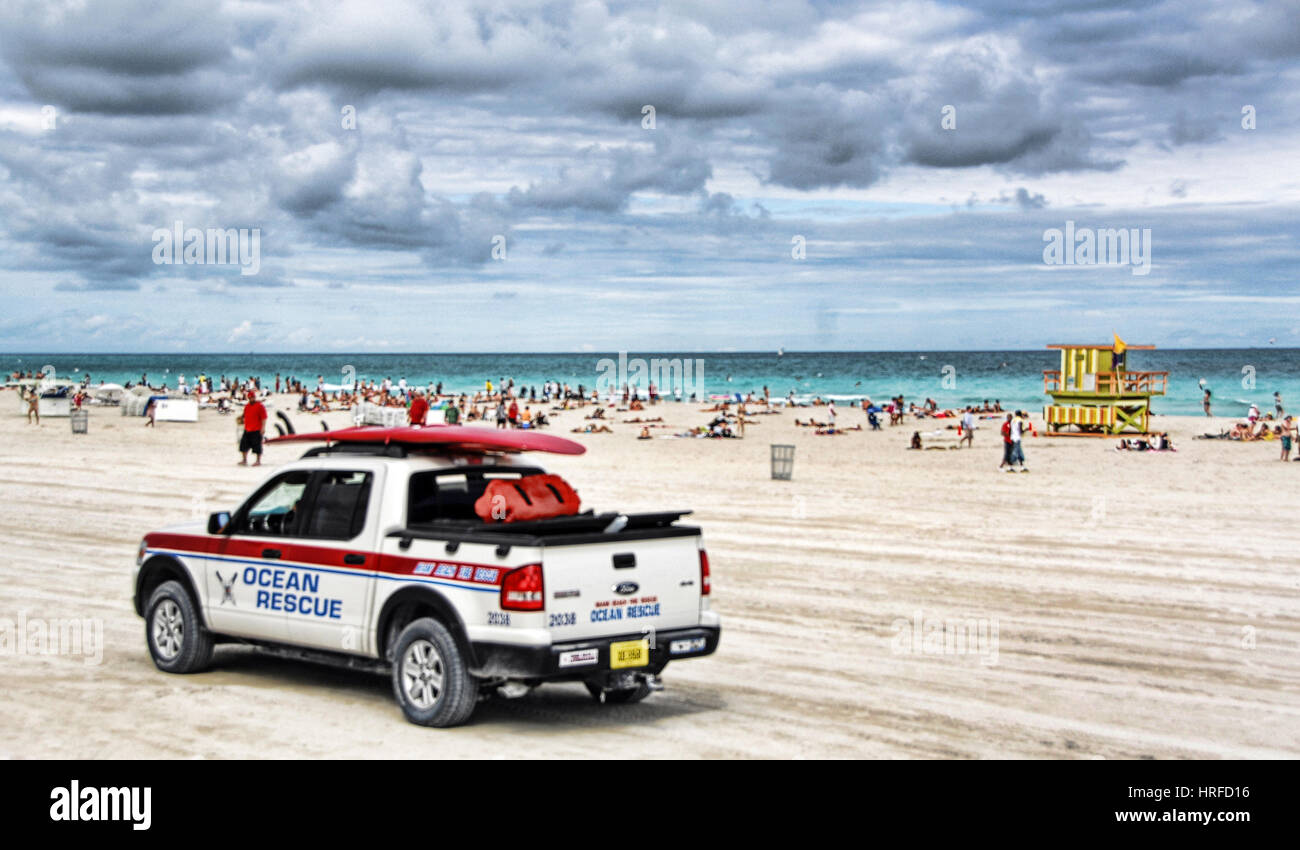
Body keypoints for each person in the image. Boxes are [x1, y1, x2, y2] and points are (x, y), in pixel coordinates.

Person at [239, 392, 268, 466]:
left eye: (252, 397)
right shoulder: (247, 406)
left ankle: (258, 461)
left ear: (255, 397)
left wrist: (263, 428)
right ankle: (244, 460)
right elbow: (244, 415)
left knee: (257, 446)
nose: (251, 399)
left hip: (256, 429)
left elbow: (263, 418)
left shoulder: (260, 406)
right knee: (243, 445)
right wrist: (241, 419)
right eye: (250, 397)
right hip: (247, 429)